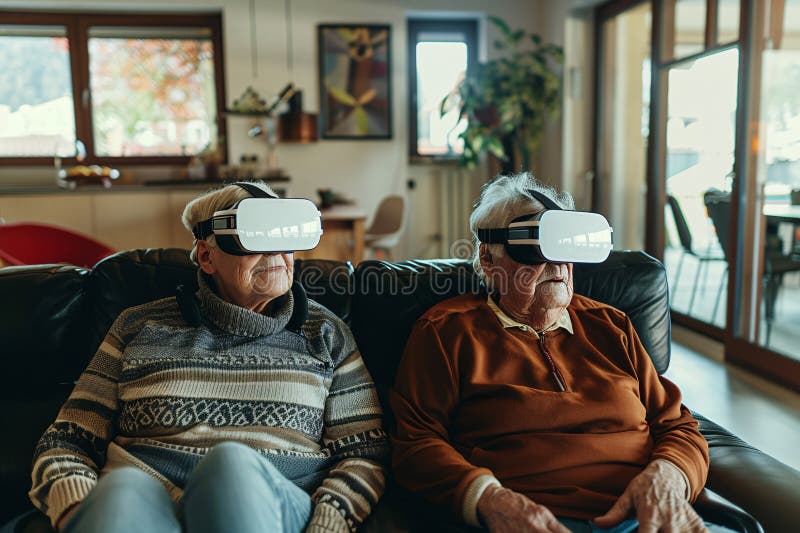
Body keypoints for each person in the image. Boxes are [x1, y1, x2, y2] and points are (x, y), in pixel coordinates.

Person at [29, 181, 388, 533]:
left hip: (272, 502)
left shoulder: (326, 333)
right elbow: (68, 439)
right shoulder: (137, 326)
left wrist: (328, 524)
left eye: (283, 235)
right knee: (122, 489)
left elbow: (363, 454)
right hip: (148, 499)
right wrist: (77, 506)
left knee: (229, 464)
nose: (277, 250)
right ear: (206, 256)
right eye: (256, 237)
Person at [390, 173, 728, 533]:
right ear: (488, 260)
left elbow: (677, 425)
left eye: (564, 246)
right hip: (534, 520)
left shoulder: (610, 326)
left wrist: (669, 477)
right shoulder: (448, 330)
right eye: (536, 248)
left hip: (648, 514)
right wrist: (490, 499)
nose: (557, 263)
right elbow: (415, 444)